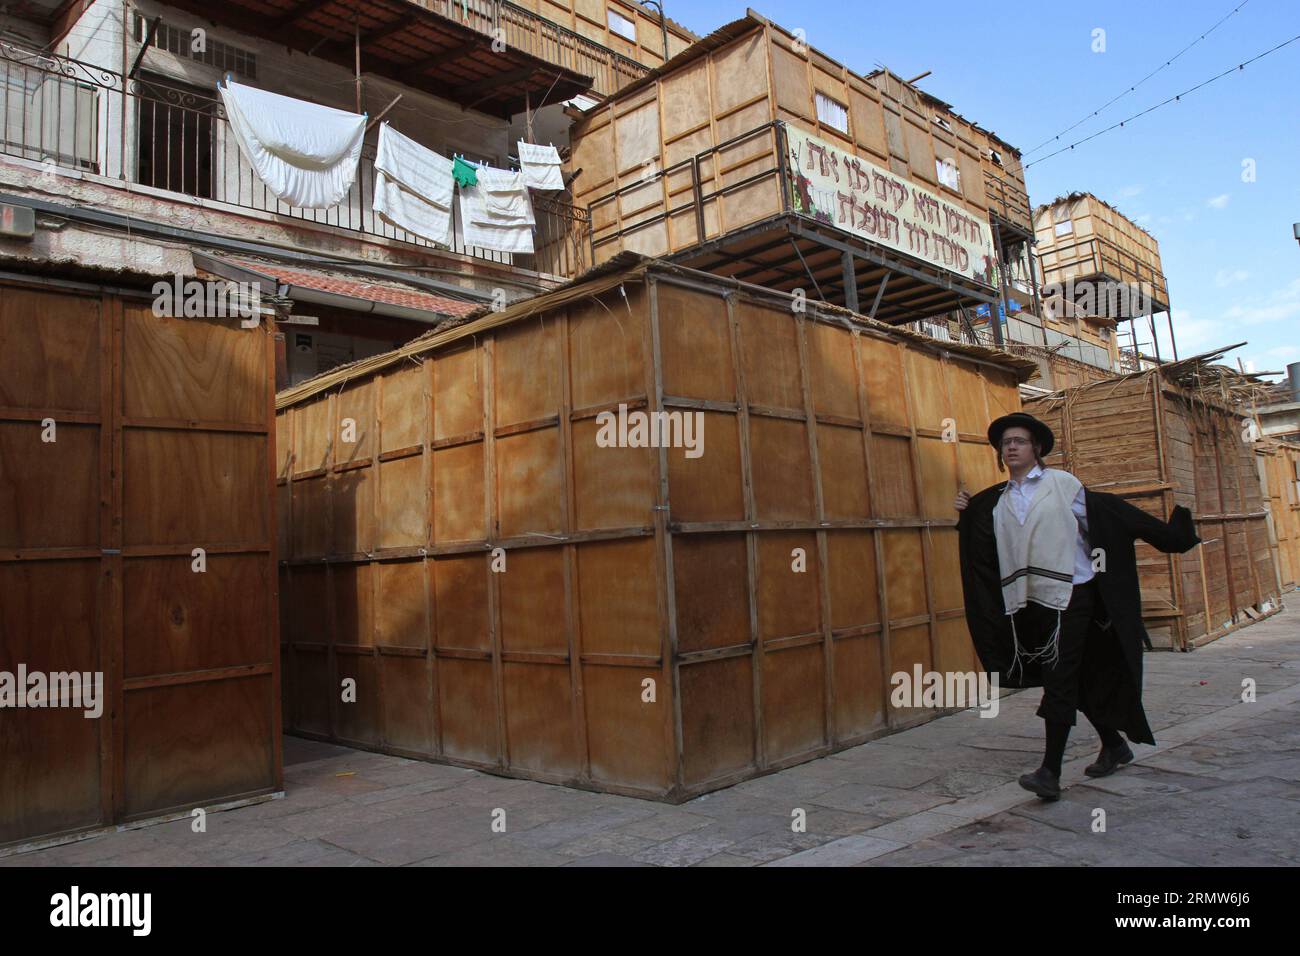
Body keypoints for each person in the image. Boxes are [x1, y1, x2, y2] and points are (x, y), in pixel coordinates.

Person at [954, 412, 1200, 801]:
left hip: (1074, 595)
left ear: (1036, 448)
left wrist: (1171, 533)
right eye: (1005, 443)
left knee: (1059, 677)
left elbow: (1109, 517)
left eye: (1019, 440)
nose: (1011, 447)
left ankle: (1049, 772)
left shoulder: (1062, 485)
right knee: (1078, 678)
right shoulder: (996, 501)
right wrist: (967, 512)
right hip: (1031, 603)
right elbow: (982, 546)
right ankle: (1115, 745)